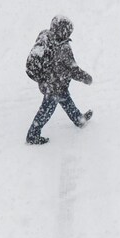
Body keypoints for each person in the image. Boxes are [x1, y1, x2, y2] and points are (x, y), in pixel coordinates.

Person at [25, 15, 92, 145]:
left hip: (48, 82)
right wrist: (86, 78)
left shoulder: (44, 35)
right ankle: (32, 135)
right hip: (55, 84)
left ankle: (79, 119)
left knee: (66, 99)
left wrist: (43, 79)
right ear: (64, 31)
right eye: (68, 31)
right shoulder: (63, 48)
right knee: (46, 111)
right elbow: (73, 69)